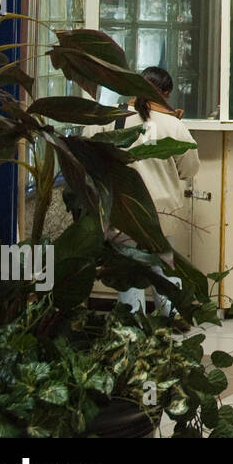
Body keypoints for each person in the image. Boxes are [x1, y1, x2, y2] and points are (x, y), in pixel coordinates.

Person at [88, 67, 200, 316]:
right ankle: (170, 318)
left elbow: (92, 149)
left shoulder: (114, 118)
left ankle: (133, 324)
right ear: (166, 94)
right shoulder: (173, 125)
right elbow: (189, 168)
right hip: (162, 210)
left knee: (128, 269)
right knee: (162, 266)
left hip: (125, 208)